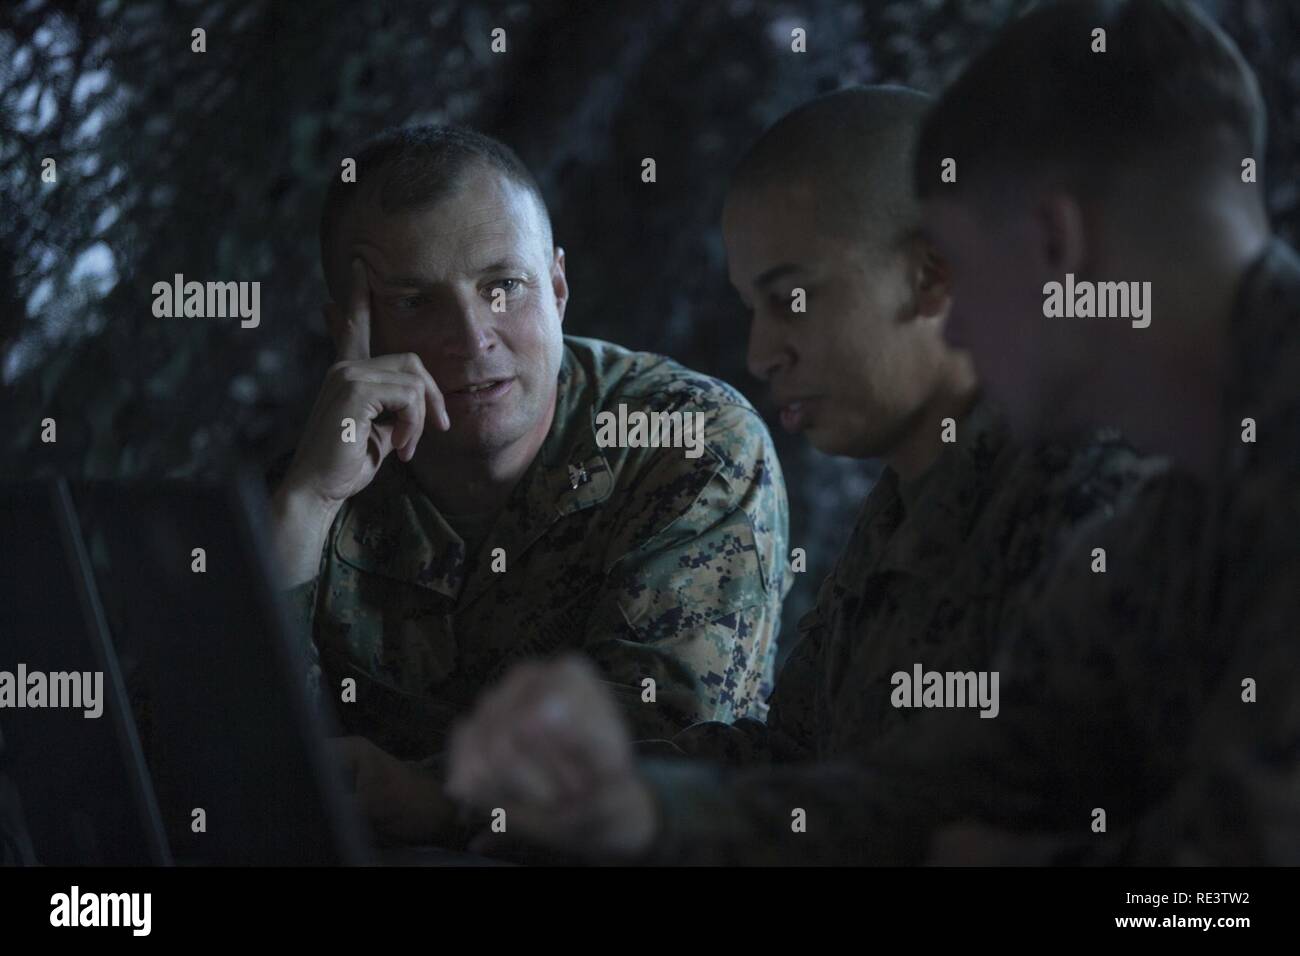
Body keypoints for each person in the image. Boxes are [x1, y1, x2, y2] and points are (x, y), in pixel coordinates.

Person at [439, 86, 1160, 863]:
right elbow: (799, 761)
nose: (761, 355)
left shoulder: (1097, 496)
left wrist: (650, 816)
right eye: (754, 307)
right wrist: (577, 797)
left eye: (792, 299)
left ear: (933, 274)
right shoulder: (907, 508)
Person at [270, 125, 790, 843]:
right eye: (416, 302)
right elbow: (213, 752)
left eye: (503, 287)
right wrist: (306, 506)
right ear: (350, 333)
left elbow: (672, 751)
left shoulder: (686, 442)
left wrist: (437, 799)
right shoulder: (322, 466)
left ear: (557, 286)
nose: (473, 337)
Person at [913, 0, 1300, 864]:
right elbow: (963, 778)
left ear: (1057, 243)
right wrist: (644, 811)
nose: (956, 329)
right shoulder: (1171, 523)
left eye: (959, 269)